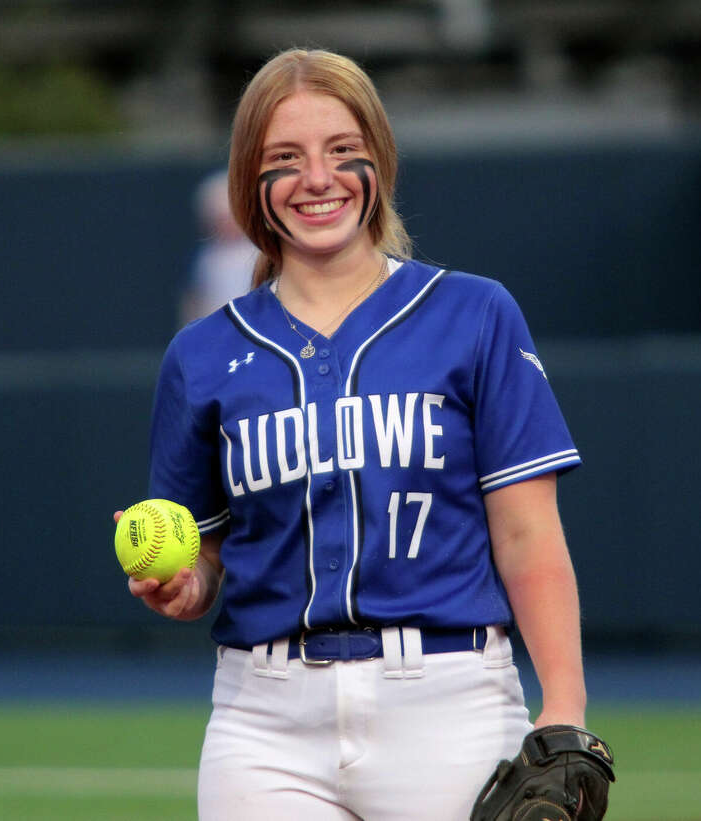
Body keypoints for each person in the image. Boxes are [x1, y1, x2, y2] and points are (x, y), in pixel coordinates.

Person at [117, 48, 607, 820]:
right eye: (285, 158)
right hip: (263, 719)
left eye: (343, 150)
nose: (318, 178)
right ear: (249, 181)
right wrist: (186, 586)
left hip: (449, 704)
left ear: (379, 161)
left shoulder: (474, 315)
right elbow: (207, 555)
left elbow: (528, 534)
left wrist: (564, 708)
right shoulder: (202, 354)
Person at [179, 169, 258, 325]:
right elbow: (194, 300)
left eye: (229, 218)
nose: (226, 225)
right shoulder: (206, 259)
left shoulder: (262, 254)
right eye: (220, 219)